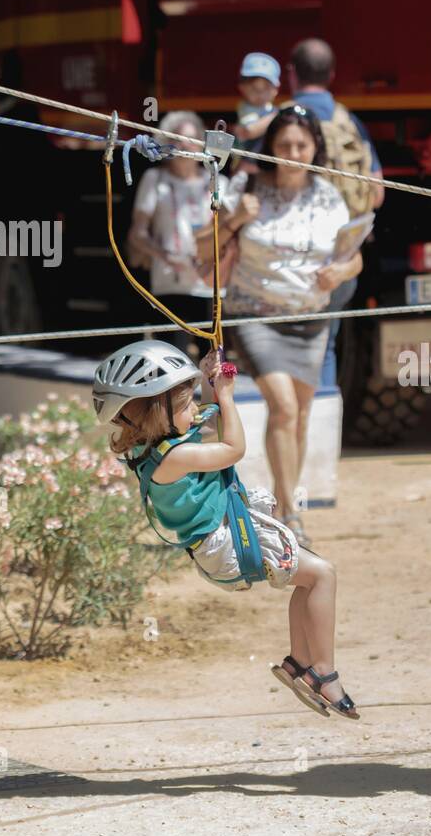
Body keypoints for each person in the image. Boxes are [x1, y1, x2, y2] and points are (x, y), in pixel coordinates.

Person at [92, 340, 358, 718]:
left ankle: (299, 664)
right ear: (155, 415)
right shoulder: (177, 458)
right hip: (229, 545)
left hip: (226, 534)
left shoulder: (154, 447)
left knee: (310, 577)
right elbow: (232, 448)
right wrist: (228, 396)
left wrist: (207, 380)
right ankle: (325, 675)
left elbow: (204, 422)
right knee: (324, 575)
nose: (196, 409)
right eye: (185, 406)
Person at [225, 106, 360, 545]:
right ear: (271, 147)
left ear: (315, 149)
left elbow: (352, 254)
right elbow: (201, 245)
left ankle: (285, 505)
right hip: (254, 314)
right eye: (284, 145)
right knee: (283, 407)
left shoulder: (327, 195)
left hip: (311, 318)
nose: (293, 153)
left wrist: (339, 274)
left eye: (302, 145)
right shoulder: (245, 188)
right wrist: (235, 219)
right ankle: (291, 518)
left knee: (299, 416)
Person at [287, 38, 384, 386]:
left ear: (291, 74)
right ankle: (322, 432)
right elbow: (377, 194)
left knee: (282, 352)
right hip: (342, 259)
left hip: (291, 261)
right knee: (324, 345)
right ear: (332, 74)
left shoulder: (281, 123)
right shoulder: (351, 123)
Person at [126, 110, 255, 352]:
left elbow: (229, 232)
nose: (186, 145)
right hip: (170, 283)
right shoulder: (155, 179)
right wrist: (164, 255)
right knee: (171, 361)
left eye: (192, 139)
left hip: (211, 284)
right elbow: (137, 233)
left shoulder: (219, 181)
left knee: (215, 361)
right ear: (167, 145)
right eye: (178, 139)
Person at [234, 51, 280, 154]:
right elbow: (249, 131)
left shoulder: (272, 110)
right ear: (242, 87)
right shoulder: (245, 109)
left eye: (266, 88)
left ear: (275, 90)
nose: (260, 93)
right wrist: (278, 116)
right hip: (247, 160)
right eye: (254, 88)